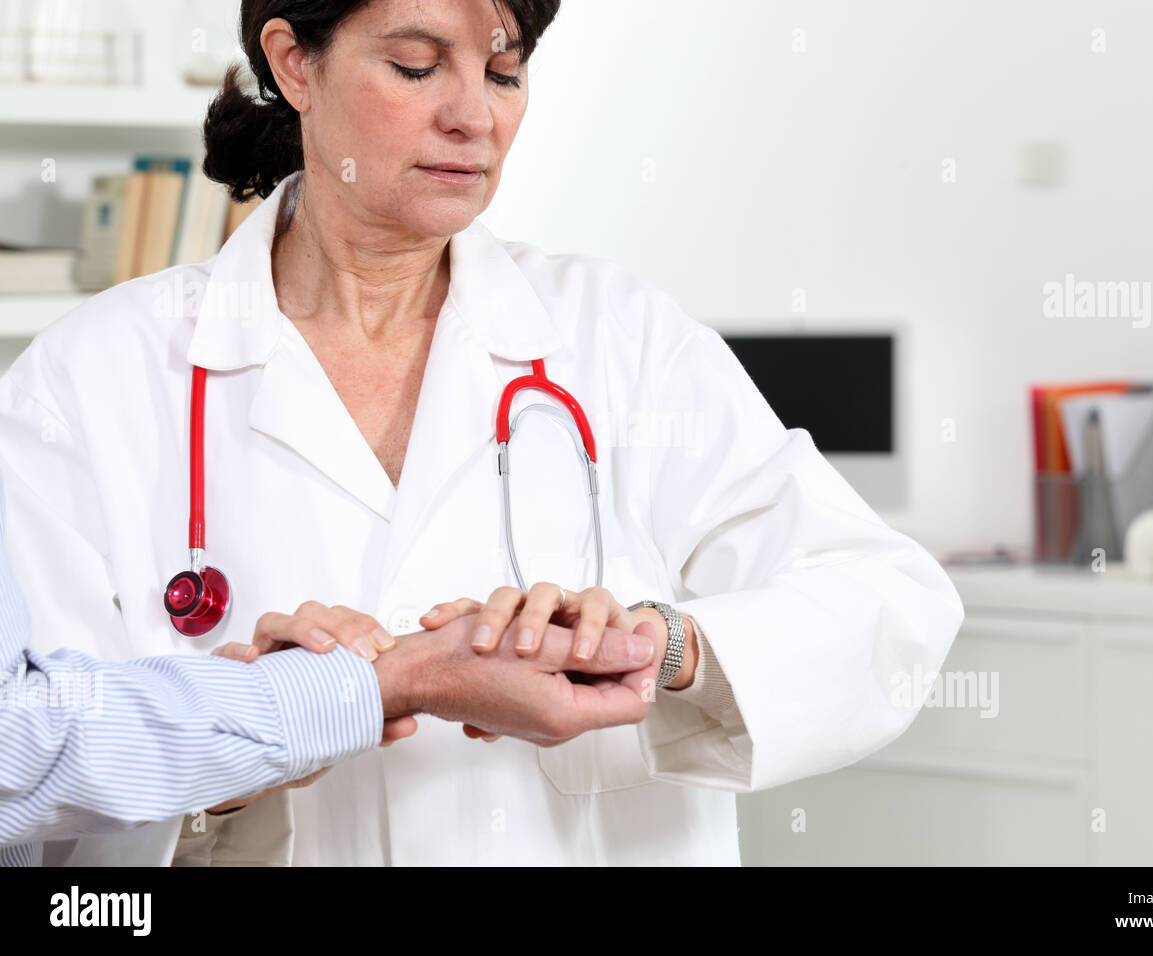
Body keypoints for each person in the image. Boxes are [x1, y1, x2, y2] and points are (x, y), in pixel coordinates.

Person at [0, 0, 964, 865]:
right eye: (417, 66)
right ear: (295, 63)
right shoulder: (92, 376)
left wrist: (662, 646)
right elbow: (27, 764)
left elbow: (892, 603)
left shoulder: (620, 337)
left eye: (504, 71)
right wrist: (255, 728)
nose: (475, 115)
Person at [0, 472, 660, 864]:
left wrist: (665, 645)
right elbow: (22, 754)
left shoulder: (631, 324)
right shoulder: (88, 360)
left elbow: (761, 625)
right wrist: (387, 679)